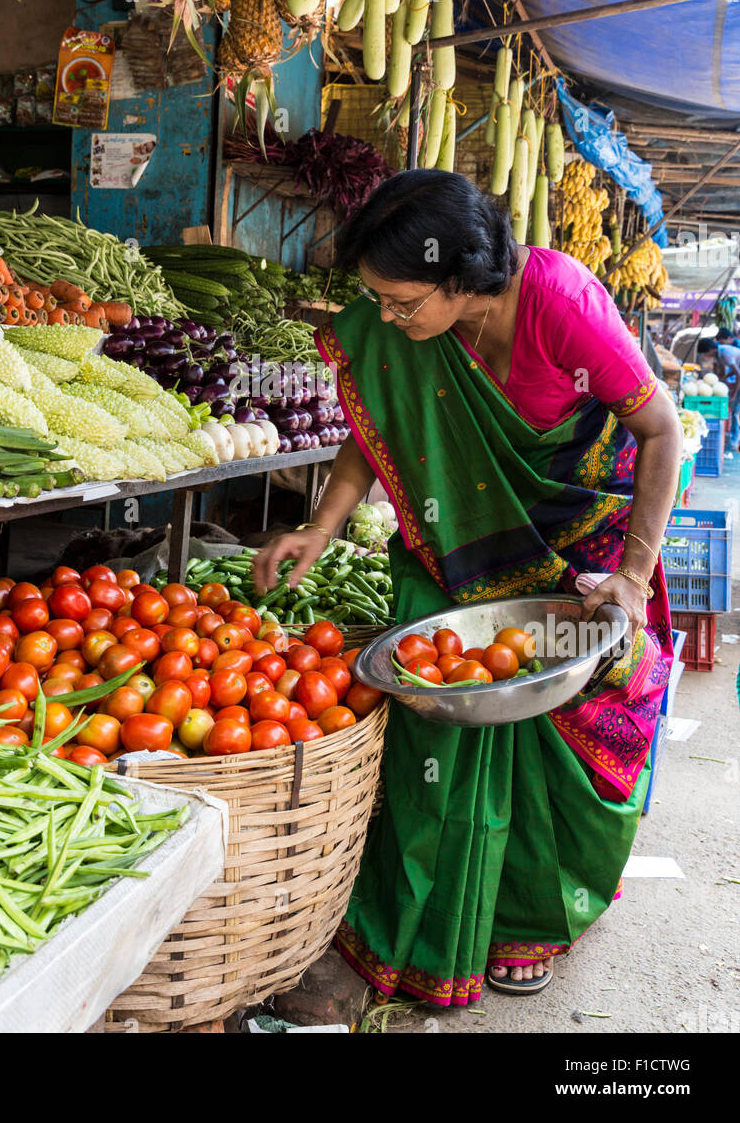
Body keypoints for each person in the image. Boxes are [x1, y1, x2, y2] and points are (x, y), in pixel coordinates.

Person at [254, 171, 681, 1003]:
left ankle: (528, 915)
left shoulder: (560, 302)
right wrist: (321, 526)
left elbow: (659, 428)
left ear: (460, 282)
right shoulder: (413, 336)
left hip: (576, 543)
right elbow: (380, 429)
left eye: (399, 300)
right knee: (431, 715)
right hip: (456, 543)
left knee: (566, 719)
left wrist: (629, 576)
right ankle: (425, 922)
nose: (384, 317)